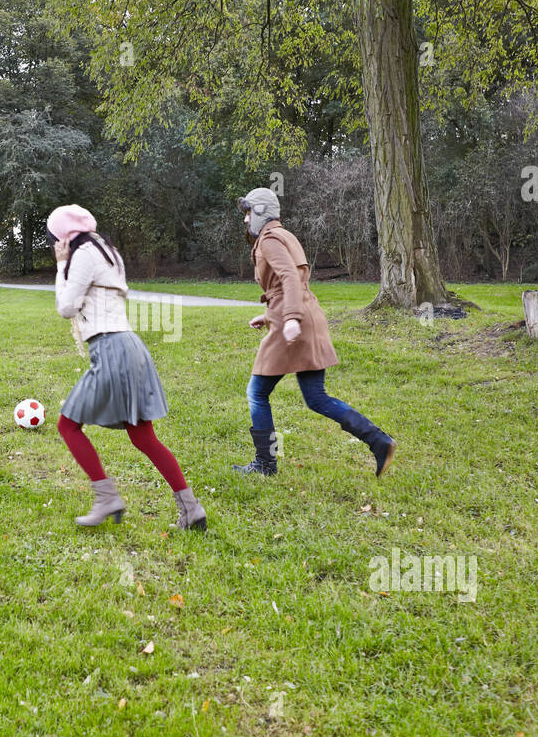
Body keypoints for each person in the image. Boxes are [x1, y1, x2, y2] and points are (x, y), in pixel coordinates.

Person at [47, 204, 207, 531]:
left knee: (67, 425)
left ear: (63, 237)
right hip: (130, 346)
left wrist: (60, 265)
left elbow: (66, 307)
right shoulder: (108, 251)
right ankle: (191, 509)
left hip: (110, 349)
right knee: (144, 437)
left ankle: (106, 498)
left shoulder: (82, 255)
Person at [233, 187, 397, 478]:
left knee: (257, 393)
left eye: (248, 213)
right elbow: (288, 286)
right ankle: (379, 441)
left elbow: (289, 279)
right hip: (300, 318)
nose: (246, 220)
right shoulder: (285, 235)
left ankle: (265, 463)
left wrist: (291, 318)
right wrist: (269, 315)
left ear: (259, 212)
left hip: (293, 323)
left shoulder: (269, 240)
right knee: (316, 397)